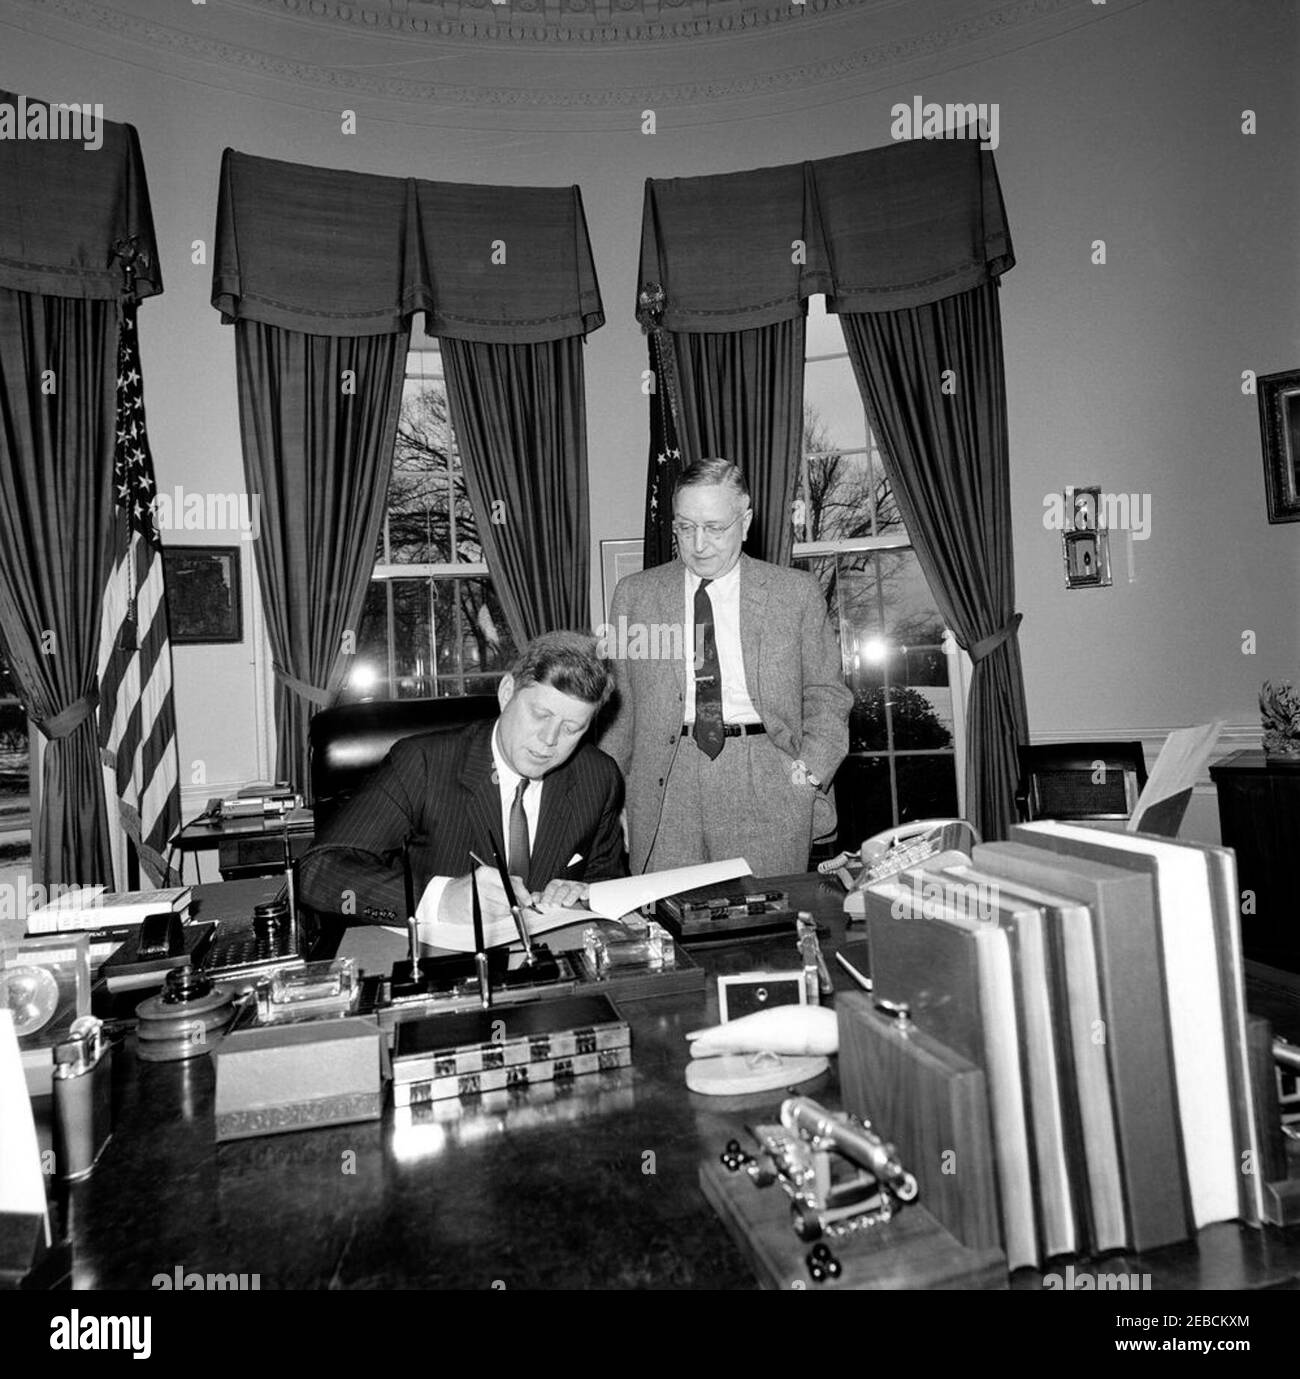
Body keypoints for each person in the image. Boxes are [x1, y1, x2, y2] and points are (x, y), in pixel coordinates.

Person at [599, 459, 851, 875]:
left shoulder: (795, 593)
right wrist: (614, 800)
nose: (698, 544)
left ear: (745, 522)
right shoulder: (635, 596)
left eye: (715, 528)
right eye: (684, 527)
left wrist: (807, 775)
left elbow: (827, 695)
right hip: (664, 785)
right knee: (669, 926)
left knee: (766, 930)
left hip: (768, 778)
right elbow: (619, 713)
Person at [299, 631, 627, 939]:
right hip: (446, 972)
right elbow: (317, 876)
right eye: (540, 714)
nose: (549, 740)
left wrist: (583, 898)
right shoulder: (423, 764)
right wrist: (438, 901)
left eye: (572, 728)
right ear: (507, 692)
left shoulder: (598, 778)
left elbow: (607, 885)